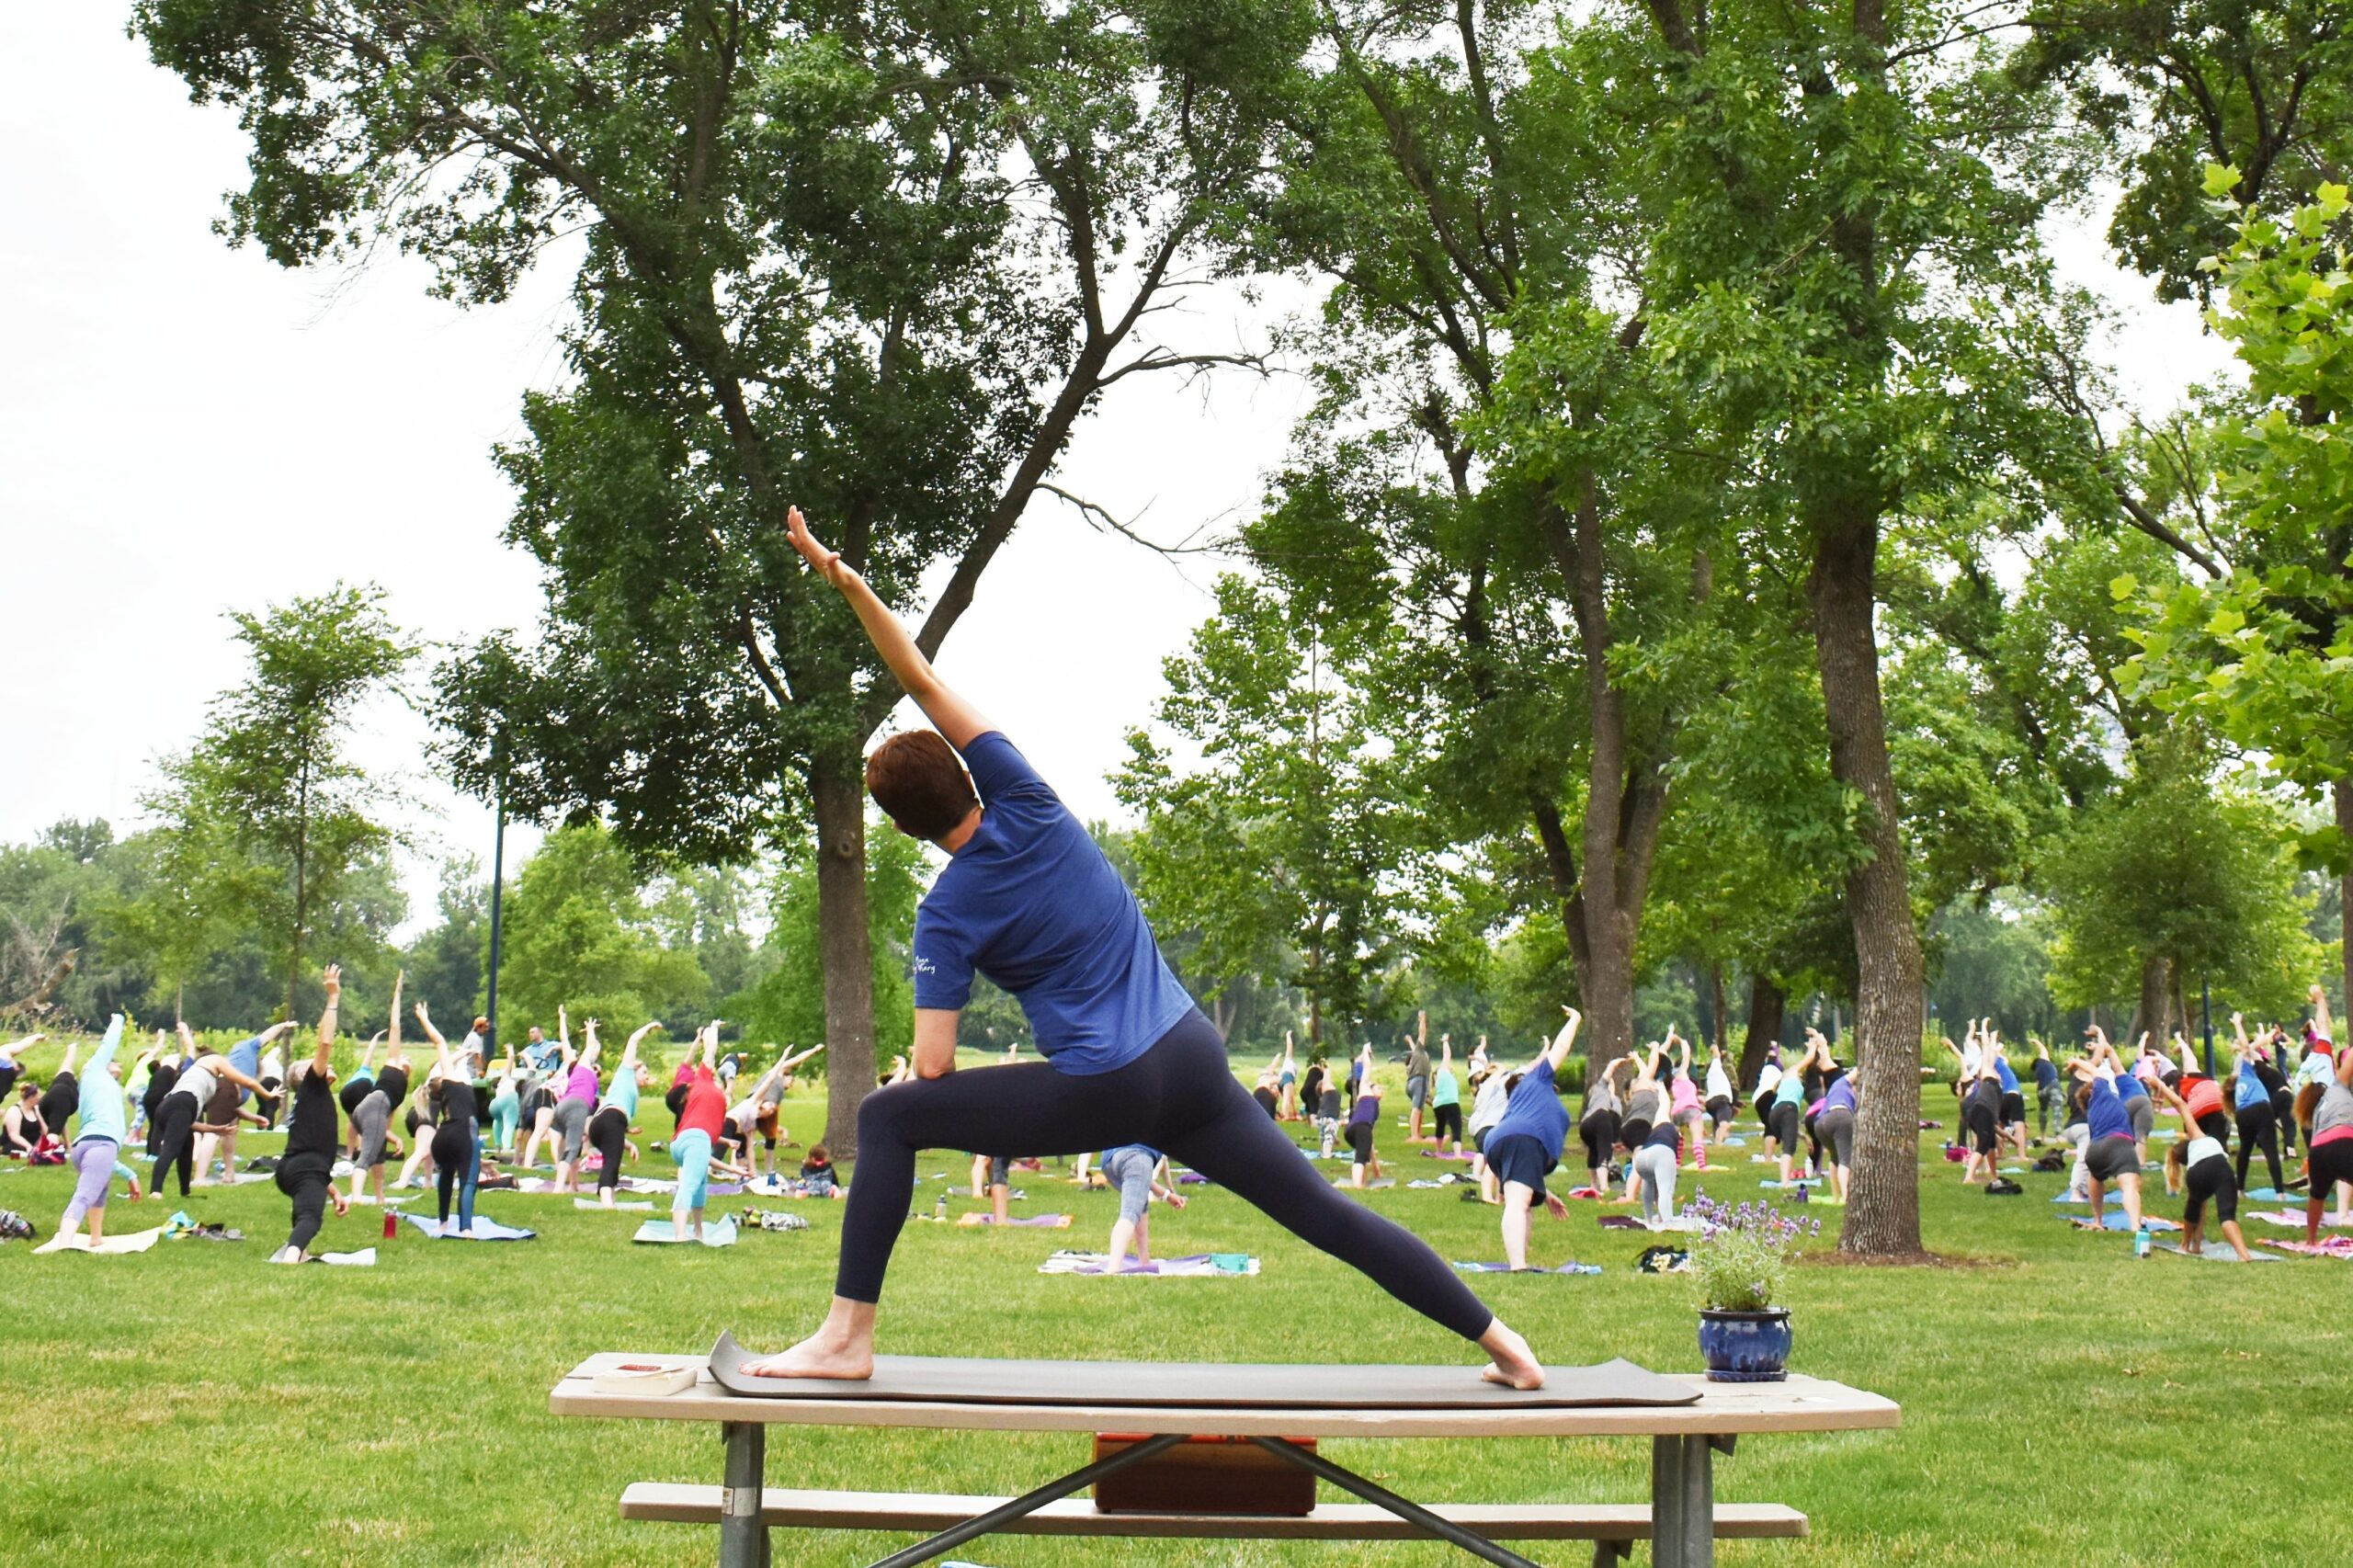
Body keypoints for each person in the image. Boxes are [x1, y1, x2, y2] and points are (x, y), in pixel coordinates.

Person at [745, 507, 1546, 1388]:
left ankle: (847, 1337)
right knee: (1320, 1210)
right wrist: (851, 583)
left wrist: (912, 1077)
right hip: (1192, 1056)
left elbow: (932, 1064)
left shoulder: (947, 913)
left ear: (902, 829)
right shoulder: (1029, 797)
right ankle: (1505, 1343)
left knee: (888, 1117)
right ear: (968, 772)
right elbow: (923, 678)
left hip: (1108, 1083)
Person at [1486, 1012, 1582, 1268]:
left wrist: (1546, 1193)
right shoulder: (1537, 1080)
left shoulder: (1523, 1100)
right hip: (1521, 1139)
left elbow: (1521, 1162)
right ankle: (1518, 1265)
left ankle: (1521, 1260)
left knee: (1524, 1203)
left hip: (1504, 1142)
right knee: (1518, 1203)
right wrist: (1575, 1020)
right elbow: (1561, 1047)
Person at [270, 966, 353, 1262]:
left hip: (297, 1166)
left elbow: (313, 1161)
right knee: (311, 1218)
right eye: (314, 1063)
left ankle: (299, 1252)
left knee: (306, 1205)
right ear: (306, 1073)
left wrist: (333, 1191)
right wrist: (333, 999)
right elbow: (325, 1042)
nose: (322, 1064)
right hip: (303, 1167)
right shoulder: (313, 1086)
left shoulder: (311, 1098)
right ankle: (290, 1260)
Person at [49, 1015, 142, 1248]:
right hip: (100, 1145)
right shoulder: (94, 1069)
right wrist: (118, 1019)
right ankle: (65, 1242)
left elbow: (104, 1160)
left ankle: (96, 1237)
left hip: (89, 1147)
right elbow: (109, 1042)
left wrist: (130, 1175)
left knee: (99, 1189)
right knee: (84, 1196)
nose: (119, 1065)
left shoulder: (100, 1085)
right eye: (115, 1062)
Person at [150, 1024, 265, 1199]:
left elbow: (192, 1124)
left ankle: (185, 1192)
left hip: (167, 1105)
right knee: (172, 1149)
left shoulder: (190, 1069)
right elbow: (248, 1083)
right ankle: (155, 1191)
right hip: (181, 1104)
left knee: (187, 1147)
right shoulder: (209, 1069)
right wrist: (268, 1095)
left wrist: (217, 1129)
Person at [2154, 1079, 2250, 1261]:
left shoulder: (2192, 1163)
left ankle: (2186, 1245)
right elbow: (2181, 1104)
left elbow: (2198, 1213)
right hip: (2221, 1168)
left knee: (2195, 1204)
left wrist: (2161, 1084)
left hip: (2198, 1174)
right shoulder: (2199, 1138)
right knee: (2227, 1216)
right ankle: (2244, 1254)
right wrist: (2159, 1083)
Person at [415, 1000, 485, 1234]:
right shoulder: (453, 1082)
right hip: (462, 1133)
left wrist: (424, 1019)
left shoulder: (445, 1091)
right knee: (468, 1181)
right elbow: (440, 1042)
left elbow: (440, 1045)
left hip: (442, 1137)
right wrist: (424, 1018)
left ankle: (443, 1223)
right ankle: (466, 1229)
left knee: (446, 1175)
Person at [670, 1022, 746, 1242]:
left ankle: (698, 1229)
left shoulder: (723, 1102)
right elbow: (711, 1050)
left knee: (700, 1184)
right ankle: (680, 1234)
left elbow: (706, 1154)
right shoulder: (702, 1080)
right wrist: (713, 1030)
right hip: (694, 1140)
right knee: (690, 1184)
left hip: (687, 1142)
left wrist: (736, 1170)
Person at [347, 978, 413, 1205]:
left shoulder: (401, 1090)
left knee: (378, 1154)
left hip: (371, 1110)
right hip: (372, 1105)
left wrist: (394, 1139)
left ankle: (379, 1197)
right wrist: (397, 992)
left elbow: (385, 1125)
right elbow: (395, 1026)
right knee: (366, 1156)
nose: (406, 1057)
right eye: (405, 1055)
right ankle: (356, 1198)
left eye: (408, 1059)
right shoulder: (392, 1062)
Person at [2067, 1039, 2145, 1233]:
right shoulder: (2100, 1091)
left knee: (2096, 1176)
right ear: (2092, 1090)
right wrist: (2076, 1062)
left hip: (2095, 1150)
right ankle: (2136, 1224)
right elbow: (2095, 1071)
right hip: (2119, 1143)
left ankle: (2097, 1220)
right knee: (2129, 1186)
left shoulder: (2092, 1112)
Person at [588, 1024, 660, 1208]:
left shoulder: (628, 1091)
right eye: (643, 1072)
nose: (646, 1076)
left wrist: (628, 1132)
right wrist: (651, 1026)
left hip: (602, 1124)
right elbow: (633, 1039)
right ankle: (607, 1203)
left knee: (613, 1161)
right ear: (633, 1070)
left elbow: (615, 1112)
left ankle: (609, 1199)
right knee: (611, 1162)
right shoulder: (625, 1073)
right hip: (609, 1120)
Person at [2294, 1032, 2353, 1245]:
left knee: (2316, 1197)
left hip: (2318, 1150)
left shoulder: (2318, 1110)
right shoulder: (2338, 1087)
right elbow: (2350, 1062)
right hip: (2342, 1142)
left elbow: (2314, 1148)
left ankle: (2310, 1241)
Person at [1102, 1142, 1186, 1268]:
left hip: (1109, 1160)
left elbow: (1141, 1179)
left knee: (1140, 1204)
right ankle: (1113, 1269)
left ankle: (1144, 1260)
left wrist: (1166, 1195)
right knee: (1130, 1213)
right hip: (1136, 1155)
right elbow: (1137, 1166)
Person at [1578, 1057, 1624, 1197]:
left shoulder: (1594, 1098)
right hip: (1601, 1118)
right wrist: (1616, 1063)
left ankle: (1593, 1184)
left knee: (1594, 1150)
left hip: (1585, 1127)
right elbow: (1616, 1114)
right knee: (1604, 1152)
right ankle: (1604, 1186)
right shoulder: (1603, 1092)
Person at [1345, 1042, 1383, 1189]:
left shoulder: (1374, 1108)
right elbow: (1367, 1068)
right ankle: (1357, 1186)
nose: (1381, 1090)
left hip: (1354, 1130)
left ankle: (1360, 1182)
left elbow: (1370, 1143)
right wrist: (1365, 1050)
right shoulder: (1365, 1091)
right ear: (1371, 1088)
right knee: (1360, 1158)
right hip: (1359, 1127)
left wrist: (1377, 1170)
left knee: (1363, 1154)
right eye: (1379, 1087)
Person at [1429, 1036, 1464, 1156]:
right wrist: (1445, 1041)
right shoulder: (1443, 1070)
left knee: (1440, 1126)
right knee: (1456, 1127)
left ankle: (1439, 1151)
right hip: (1451, 1103)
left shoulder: (1439, 1078)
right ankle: (1458, 1154)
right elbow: (1447, 1054)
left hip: (1438, 1104)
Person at [1702, 1044, 1736, 1145]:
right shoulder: (1715, 1069)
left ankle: (1716, 1138)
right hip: (1721, 1099)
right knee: (1725, 1124)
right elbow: (1716, 1056)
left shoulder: (1710, 1078)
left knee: (1717, 1121)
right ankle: (1718, 1141)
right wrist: (1714, 1048)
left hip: (1710, 1103)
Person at [2031, 1039, 2064, 1139]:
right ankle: (2058, 1135)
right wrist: (2037, 1042)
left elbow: (2038, 1083)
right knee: (2057, 1109)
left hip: (2041, 1091)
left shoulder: (2038, 1070)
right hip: (2052, 1086)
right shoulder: (2044, 1063)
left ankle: (2042, 1135)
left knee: (2043, 1112)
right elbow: (2044, 1051)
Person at [1405, 1024, 1431, 1143]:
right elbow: (1422, 1033)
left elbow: (1413, 1047)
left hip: (1412, 1083)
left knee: (1419, 1108)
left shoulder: (1416, 1054)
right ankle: (1414, 1136)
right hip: (1419, 1081)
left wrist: (1410, 1040)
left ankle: (1417, 1134)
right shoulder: (1420, 1053)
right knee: (1416, 1109)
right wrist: (1422, 1020)